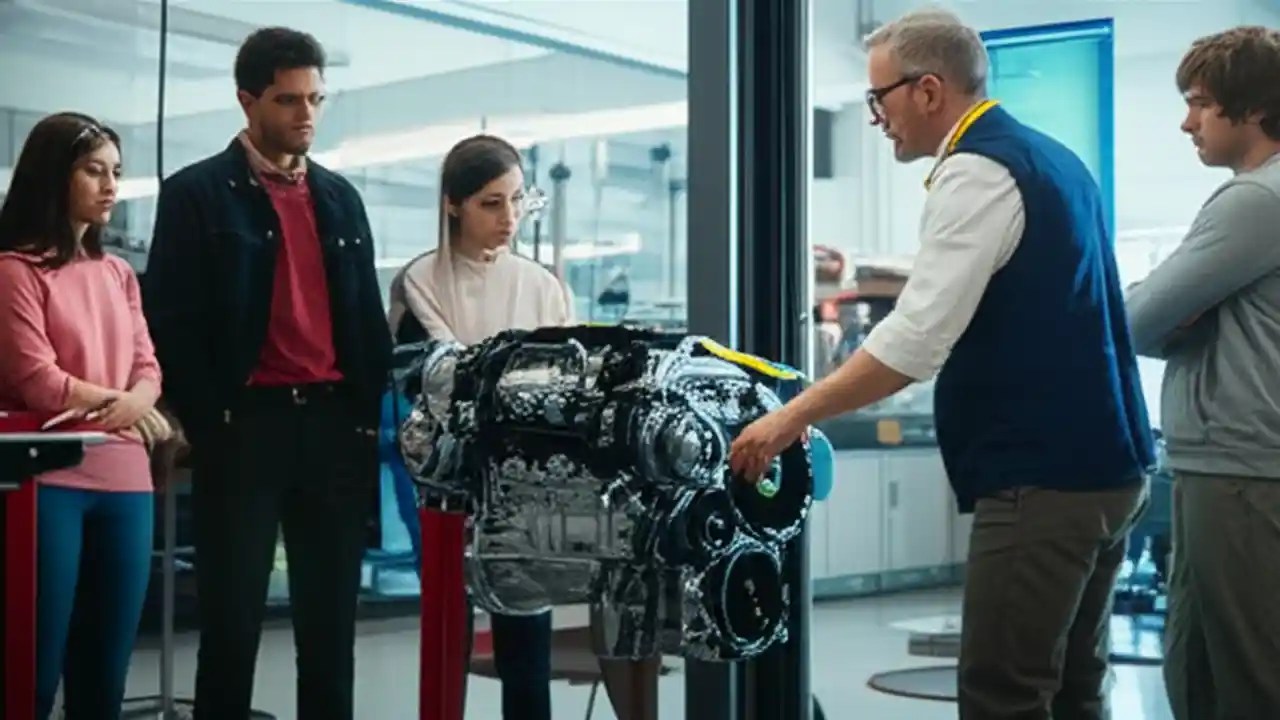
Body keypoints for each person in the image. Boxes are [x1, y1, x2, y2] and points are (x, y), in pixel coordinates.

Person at [729, 9, 1153, 720]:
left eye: (879, 99)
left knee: (1002, 695)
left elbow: (914, 342)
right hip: (1110, 469)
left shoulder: (977, 172)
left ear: (927, 91)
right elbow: (999, 275)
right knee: (1076, 689)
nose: (876, 118)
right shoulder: (1051, 159)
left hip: (1041, 479)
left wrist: (789, 417)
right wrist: (866, 269)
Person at [143, 27, 392, 720]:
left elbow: (364, 317)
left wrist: (368, 411)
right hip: (244, 424)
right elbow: (171, 317)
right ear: (247, 101)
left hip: (334, 424)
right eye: (288, 100)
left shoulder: (340, 199)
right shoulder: (196, 194)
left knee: (329, 626)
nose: (306, 114)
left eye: (315, 98)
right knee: (230, 622)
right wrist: (203, 417)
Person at [386, 134, 572, 720]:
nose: (509, 217)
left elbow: (565, 384)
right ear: (453, 204)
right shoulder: (419, 281)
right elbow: (440, 380)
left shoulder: (541, 285)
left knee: (526, 642)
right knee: (448, 631)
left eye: (517, 200)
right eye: (492, 203)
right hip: (446, 484)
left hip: (526, 484)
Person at [1124, 27, 1280, 720]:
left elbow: (1130, 320)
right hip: (1233, 466)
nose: (1187, 122)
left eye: (1201, 104)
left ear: (1252, 110)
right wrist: (1187, 320)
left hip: (1240, 471)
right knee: (1201, 665)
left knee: (1241, 679)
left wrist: (1180, 320)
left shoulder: (1255, 201)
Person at [0, 112, 161, 719]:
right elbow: (38, 381)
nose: (110, 185)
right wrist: (122, 406)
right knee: (32, 674)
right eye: (94, 170)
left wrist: (137, 401)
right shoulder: (15, 270)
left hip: (125, 480)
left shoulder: (118, 273)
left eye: (116, 172)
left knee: (104, 679)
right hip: (49, 481)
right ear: (53, 176)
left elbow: (148, 367)